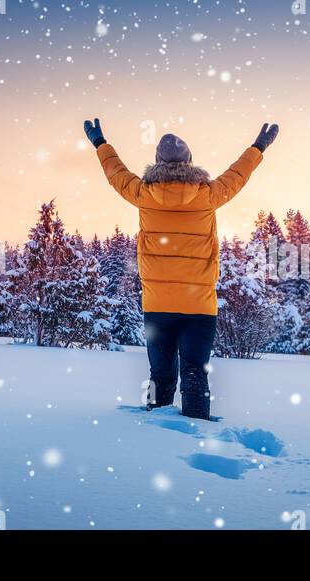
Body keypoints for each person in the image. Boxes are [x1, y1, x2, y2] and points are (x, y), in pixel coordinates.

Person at [83, 118, 279, 420]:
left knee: (158, 373)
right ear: (189, 162)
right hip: (199, 306)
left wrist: (100, 143)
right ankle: (197, 431)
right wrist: (258, 147)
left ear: (157, 162)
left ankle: (153, 418)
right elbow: (238, 175)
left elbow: (116, 174)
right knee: (195, 374)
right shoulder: (208, 195)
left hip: (157, 304)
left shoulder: (143, 194)